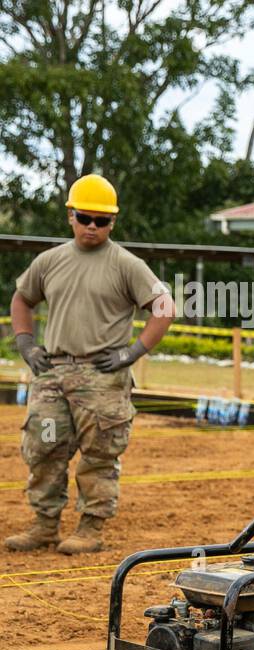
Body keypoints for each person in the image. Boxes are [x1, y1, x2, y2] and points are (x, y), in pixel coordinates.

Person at [6, 174, 175, 553]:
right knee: (44, 445)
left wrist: (131, 353)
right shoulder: (49, 261)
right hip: (53, 373)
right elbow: (22, 299)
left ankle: (90, 529)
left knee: (99, 454)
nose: (93, 227)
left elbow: (164, 307)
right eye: (85, 218)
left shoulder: (126, 264)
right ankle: (44, 525)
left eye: (102, 221)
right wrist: (26, 343)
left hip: (102, 378)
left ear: (112, 222)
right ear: (71, 215)